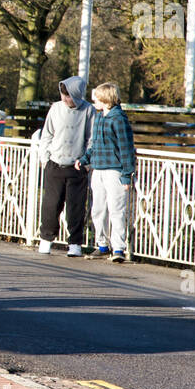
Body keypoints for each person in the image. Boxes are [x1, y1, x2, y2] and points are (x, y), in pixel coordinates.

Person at [76, 82, 136, 263]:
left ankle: (118, 248)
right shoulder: (100, 117)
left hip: (114, 171)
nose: (93, 101)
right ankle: (102, 245)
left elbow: (126, 148)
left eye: (97, 98)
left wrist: (127, 174)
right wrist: (84, 159)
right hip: (98, 169)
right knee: (98, 209)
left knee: (116, 209)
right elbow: (95, 144)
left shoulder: (119, 119)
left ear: (106, 99)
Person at [37, 75, 95, 257]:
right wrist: (45, 158)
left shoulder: (89, 111)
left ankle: (75, 243)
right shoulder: (55, 108)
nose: (65, 98)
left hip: (77, 166)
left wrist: (86, 162)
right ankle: (46, 239)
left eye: (68, 95)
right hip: (55, 164)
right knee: (51, 204)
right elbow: (47, 134)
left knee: (76, 206)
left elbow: (91, 138)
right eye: (63, 94)